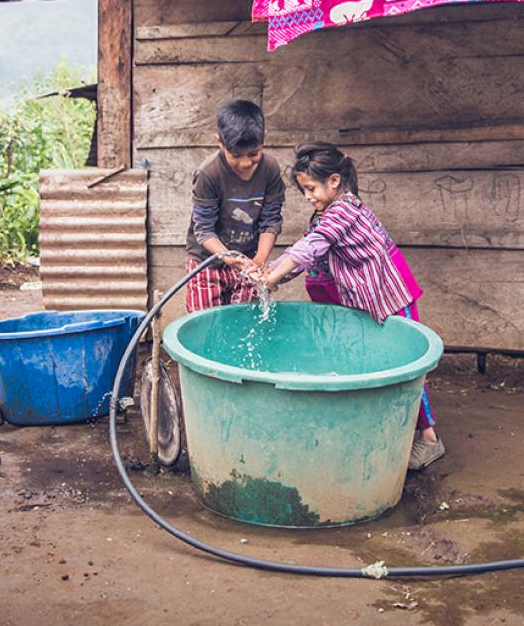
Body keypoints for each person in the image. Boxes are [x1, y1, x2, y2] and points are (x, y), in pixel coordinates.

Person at [252, 143, 444, 470]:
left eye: (311, 188)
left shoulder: (345, 209)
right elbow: (306, 253)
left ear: (334, 181)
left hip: (391, 294)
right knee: (376, 362)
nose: (308, 196)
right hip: (368, 299)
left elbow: (312, 246)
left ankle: (429, 440)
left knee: (409, 368)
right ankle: (383, 427)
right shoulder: (323, 215)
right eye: (303, 190)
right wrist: (270, 272)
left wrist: (273, 276)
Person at [183, 99, 286, 312]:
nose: (245, 163)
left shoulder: (270, 169)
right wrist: (227, 256)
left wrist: (260, 258)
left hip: (249, 259)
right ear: (219, 143)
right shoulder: (208, 173)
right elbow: (204, 229)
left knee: (244, 320)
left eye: (254, 154)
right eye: (236, 155)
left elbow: (271, 220)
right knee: (205, 321)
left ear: (263, 141)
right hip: (207, 260)